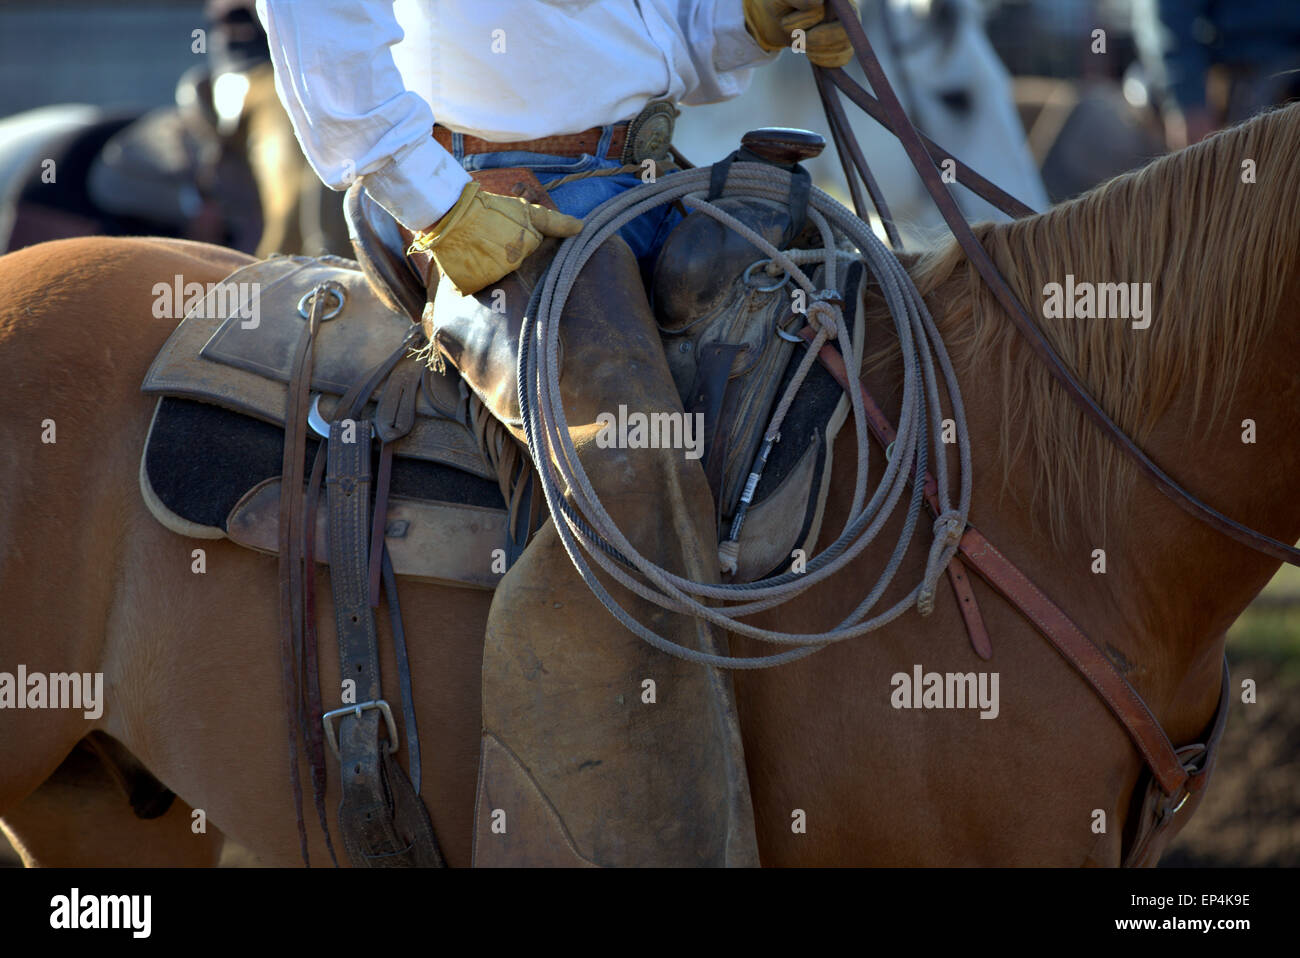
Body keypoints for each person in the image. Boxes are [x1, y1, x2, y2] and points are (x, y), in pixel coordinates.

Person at [256, 0, 855, 866]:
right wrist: (430, 198)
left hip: (652, 178)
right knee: (629, 465)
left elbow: (646, 37)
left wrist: (751, 19)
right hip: (486, 194)